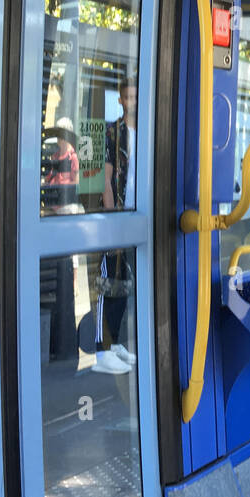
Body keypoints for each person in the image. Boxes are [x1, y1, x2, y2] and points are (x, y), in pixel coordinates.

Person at [95, 76, 137, 374]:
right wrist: (112, 219)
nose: (132, 102)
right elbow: (105, 179)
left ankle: (116, 343)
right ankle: (101, 350)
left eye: (136, 97)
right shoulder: (113, 132)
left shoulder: (148, 131)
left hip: (139, 214)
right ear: (121, 100)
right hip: (118, 214)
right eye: (127, 97)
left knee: (125, 283)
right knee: (108, 283)